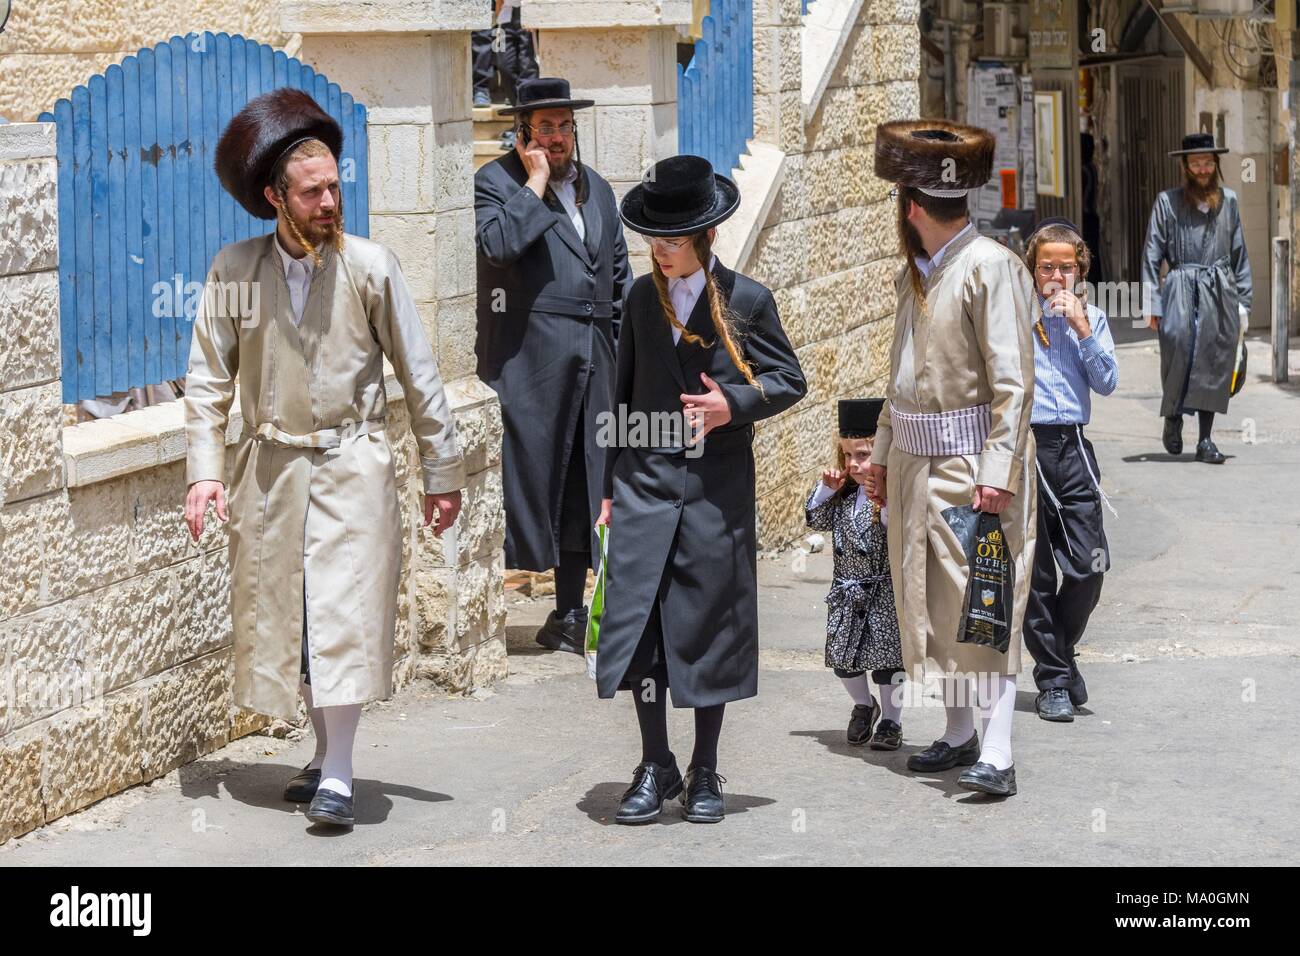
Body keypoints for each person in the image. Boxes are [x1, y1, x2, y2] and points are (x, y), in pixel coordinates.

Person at [184, 88, 466, 829]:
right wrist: (205, 471)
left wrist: (444, 474)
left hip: (354, 465)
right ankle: (320, 752)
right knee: (298, 623)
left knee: (342, 614)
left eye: (336, 187)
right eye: (312, 192)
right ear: (275, 197)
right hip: (271, 477)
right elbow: (208, 378)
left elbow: (421, 374)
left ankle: (340, 771)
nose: (329, 202)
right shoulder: (235, 271)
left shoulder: (372, 268)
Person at [596, 155, 807, 824]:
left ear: (707, 236)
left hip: (716, 492)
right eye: (654, 240)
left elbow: (789, 381)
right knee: (645, 632)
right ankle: (655, 762)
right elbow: (621, 398)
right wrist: (606, 491)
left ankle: (705, 768)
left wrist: (731, 406)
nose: (660, 252)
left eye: (673, 240)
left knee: (708, 628)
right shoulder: (636, 299)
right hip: (643, 486)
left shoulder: (748, 301)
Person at [866, 119, 1038, 797]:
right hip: (915, 466)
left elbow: (1014, 384)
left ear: (911, 207)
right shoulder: (922, 274)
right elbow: (897, 377)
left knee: (983, 603)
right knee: (932, 604)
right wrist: (882, 454)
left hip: (971, 472)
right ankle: (960, 731)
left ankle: (998, 749)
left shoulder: (991, 267)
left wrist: (999, 472)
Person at [475, 77, 632, 654]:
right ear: (522, 134)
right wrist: (536, 183)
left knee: (586, 481)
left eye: (565, 126)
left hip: (597, 353)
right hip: (533, 356)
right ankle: (513, 606)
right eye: (545, 128)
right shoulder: (496, 184)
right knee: (538, 479)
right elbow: (497, 247)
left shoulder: (599, 191)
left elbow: (618, 276)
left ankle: (570, 612)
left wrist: (628, 354)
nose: (558, 137)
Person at [1021, 217, 1118, 722]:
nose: (1055, 276)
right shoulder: (1016, 317)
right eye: (1045, 267)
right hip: (1028, 446)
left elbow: (1107, 383)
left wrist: (1081, 329)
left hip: (1074, 448)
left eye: (1065, 267)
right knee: (1035, 572)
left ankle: (1060, 651)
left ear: (1080, 270)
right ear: (1032, 271)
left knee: (1089, 565)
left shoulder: (1094, 319)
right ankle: (1054, 680)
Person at [1141, 132, 1253, 464]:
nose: (1203, 169)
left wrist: (1243, 303)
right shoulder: (1167, 201)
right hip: (1177, 287)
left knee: (1214, 359)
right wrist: (1152, 303)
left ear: (1215, 165)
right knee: (1176, 347)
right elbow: (1151, 255)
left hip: (1219, 290)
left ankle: (1205, 439)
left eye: (1207, 162)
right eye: (1196, 163)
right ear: (1186, 167)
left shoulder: (1229, 201)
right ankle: (1173, 415)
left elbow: (1239, 254)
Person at [805, 398, 905, 750]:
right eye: (848, 456)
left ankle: (891, 720)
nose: (854, 464)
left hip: (883, 593)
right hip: (847, 593)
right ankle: (864, 705)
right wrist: (825, 491)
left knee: (887, 661)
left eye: (863, 455)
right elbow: (815, 520)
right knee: (843, 659)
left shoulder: (892, 494)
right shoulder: (843, 497)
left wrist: (886, 503)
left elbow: (898, 533)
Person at [471, 0, 539, 112]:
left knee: (528, 66)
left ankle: (525, 113)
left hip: (527, 12)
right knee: (503, 64)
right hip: (505, 15)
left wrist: (535, 12)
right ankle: (519, 109)